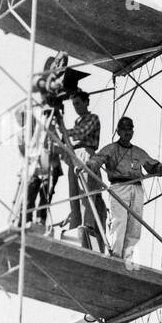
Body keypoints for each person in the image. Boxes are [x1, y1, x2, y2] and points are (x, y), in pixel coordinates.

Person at [87, 116, 162, 269]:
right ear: (118, 131)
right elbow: (98, 159)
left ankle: (128, 259)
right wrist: (90, 165)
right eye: (124, 130)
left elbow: (151, 164)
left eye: (130, 129)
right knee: (119, 221)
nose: (127, 133)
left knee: (134, 225)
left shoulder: (138, 152)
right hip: (120, 187)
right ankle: (115, 256)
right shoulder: (111, 149)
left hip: (137, 188)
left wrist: (161, 168)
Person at [64, 90, 106, 252]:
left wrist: (64, 131)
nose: (76, 107)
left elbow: (82, 132)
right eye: (74, 104)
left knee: (87, 194)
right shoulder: (77, 121)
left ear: (86, 102)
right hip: (75, 155)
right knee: (74, 194)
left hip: (87, 155)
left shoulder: (92, 118)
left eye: (78, 103)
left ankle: (87, 225)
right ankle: (75, 225)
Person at [12, 106, 61, 232]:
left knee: (45, 194)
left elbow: (57, 145)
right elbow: (24, 154)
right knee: (29, 194)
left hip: (49, 164)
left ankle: (40, 220)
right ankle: (25, 220)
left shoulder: (45, 126)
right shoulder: (22, 134)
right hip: (34, 167)